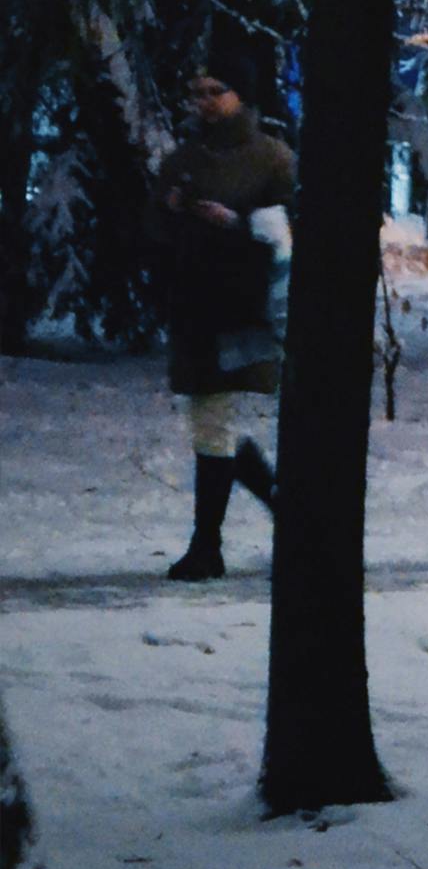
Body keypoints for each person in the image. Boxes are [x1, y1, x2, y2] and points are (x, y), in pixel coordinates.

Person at [151, 34, 294, 580]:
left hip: (246, 307)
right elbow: (152, 232)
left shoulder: (272, 158)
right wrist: (169, 213)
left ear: (242, 96)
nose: (204, 101)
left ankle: (208, 545)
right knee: (210, 421)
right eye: (197, 92)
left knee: (213, 419)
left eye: (216, 91)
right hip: (195, 305)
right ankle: (271, 505)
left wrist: (234, 225)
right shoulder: (183, 158)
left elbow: (288, 235)